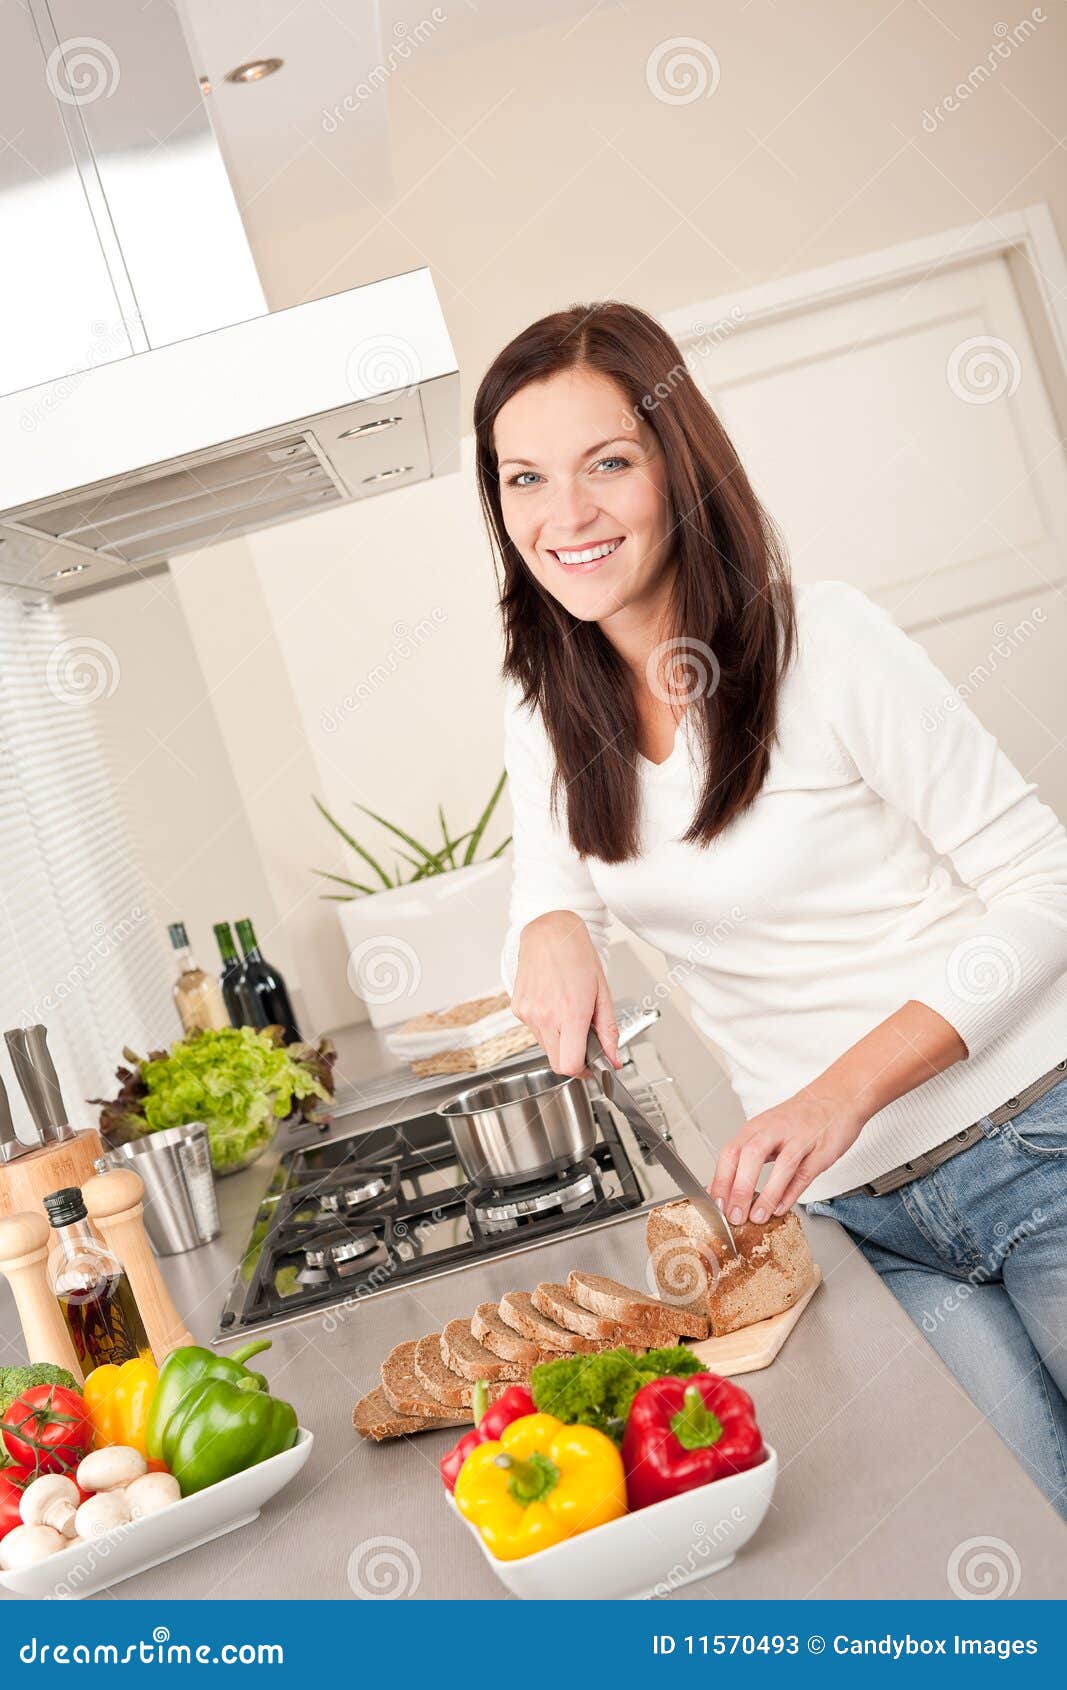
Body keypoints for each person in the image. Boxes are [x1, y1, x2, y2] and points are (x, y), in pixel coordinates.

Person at [474, 300, 1067, 1520]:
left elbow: (1045, 889)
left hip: (1034, 1143)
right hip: (853, 1223)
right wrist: (550, 924)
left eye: (606, 464)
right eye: (523, 477)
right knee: (1019, 1538)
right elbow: (550, 871)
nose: (563, 514)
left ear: (677, 465)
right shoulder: (548, 700)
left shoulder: (823, 641)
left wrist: (835, 1092)